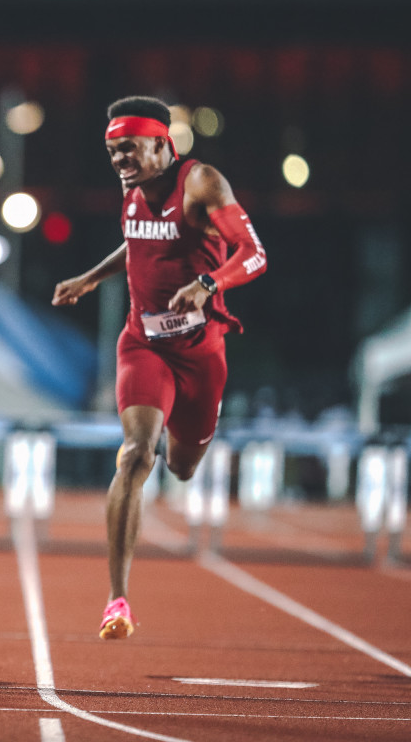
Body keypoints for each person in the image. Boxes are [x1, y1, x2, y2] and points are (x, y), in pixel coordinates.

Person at [52, 96, 266, 640]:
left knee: (183, 467)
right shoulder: (131, 191)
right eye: (111, 151)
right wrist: (90, 278)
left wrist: (210, 284)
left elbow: (254, 252)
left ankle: (186, 438)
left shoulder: (201, 184)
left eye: (129, 148)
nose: (119, 160)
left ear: (161, 145)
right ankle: (117, 600)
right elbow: (137, 245)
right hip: (142, 345)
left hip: (201, 353)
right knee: (134, 455)